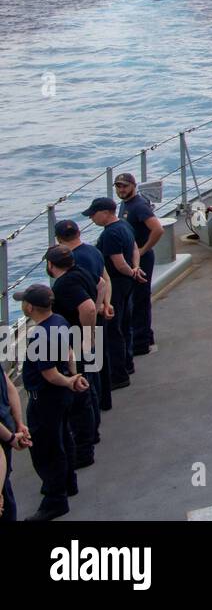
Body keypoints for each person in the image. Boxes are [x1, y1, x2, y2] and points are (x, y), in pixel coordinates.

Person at [15, 283, 90, 521]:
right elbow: (68, 352)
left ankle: (55, 500)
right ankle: (69, 483)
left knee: (46, 449)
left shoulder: (39, 335)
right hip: (62, 395)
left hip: (46, 398)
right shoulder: (59, 320)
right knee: (64, 437)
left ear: (30, 307)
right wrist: (73, 376)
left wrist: (67, 382)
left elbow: (48, 374)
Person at [44, 245, 101, 465]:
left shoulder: (65, 283)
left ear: (51, 264)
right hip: (85, 337)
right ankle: (92, 432)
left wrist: (88, 336)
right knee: (90, 388)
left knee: (80, 395)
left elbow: (86, 307)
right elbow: (102, 284)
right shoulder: (81, 272)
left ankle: (84, 446)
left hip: (77, 342)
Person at [55, 219, 113, 412]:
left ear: (58, 239)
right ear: (79, 233)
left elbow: (85, 305)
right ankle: (104, 401)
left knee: (86, 371)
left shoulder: (70, 269)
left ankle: (92, 413)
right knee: (98, 364)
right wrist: (104, 305)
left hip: (82, 325)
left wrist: (88, 331)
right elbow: (103, 282)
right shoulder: (93, 251)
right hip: (95, 319)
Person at [87, 196, 140, 385]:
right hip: (127, 283)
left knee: (114, 330)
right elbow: (134, 248)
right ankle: (128, 363)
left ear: (106, 213)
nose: (92, 218)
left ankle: (119, 375)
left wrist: (129, 271)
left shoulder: (110, 234)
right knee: (126, 324)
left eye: (94, 214)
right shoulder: (125, 225)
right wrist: (135, 269)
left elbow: (118, 263)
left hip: (116, 284)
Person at [114, 173, 163, 355]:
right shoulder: (126, 204)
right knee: (135, 298)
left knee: (139, 299)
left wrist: (142, 250)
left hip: (141, 259)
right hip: (132, 258)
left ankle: (140, 343)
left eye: (125, 186)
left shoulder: (139, 206)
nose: (121, 190)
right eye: (118, 187)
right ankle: (145, 336)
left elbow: (157, 229)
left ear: (133, 186)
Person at [0, 370, 31, 521]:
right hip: (6, 430)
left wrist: (12, 436)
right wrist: (18, 424)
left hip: (4, 435)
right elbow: (10, 387)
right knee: (6, 493)